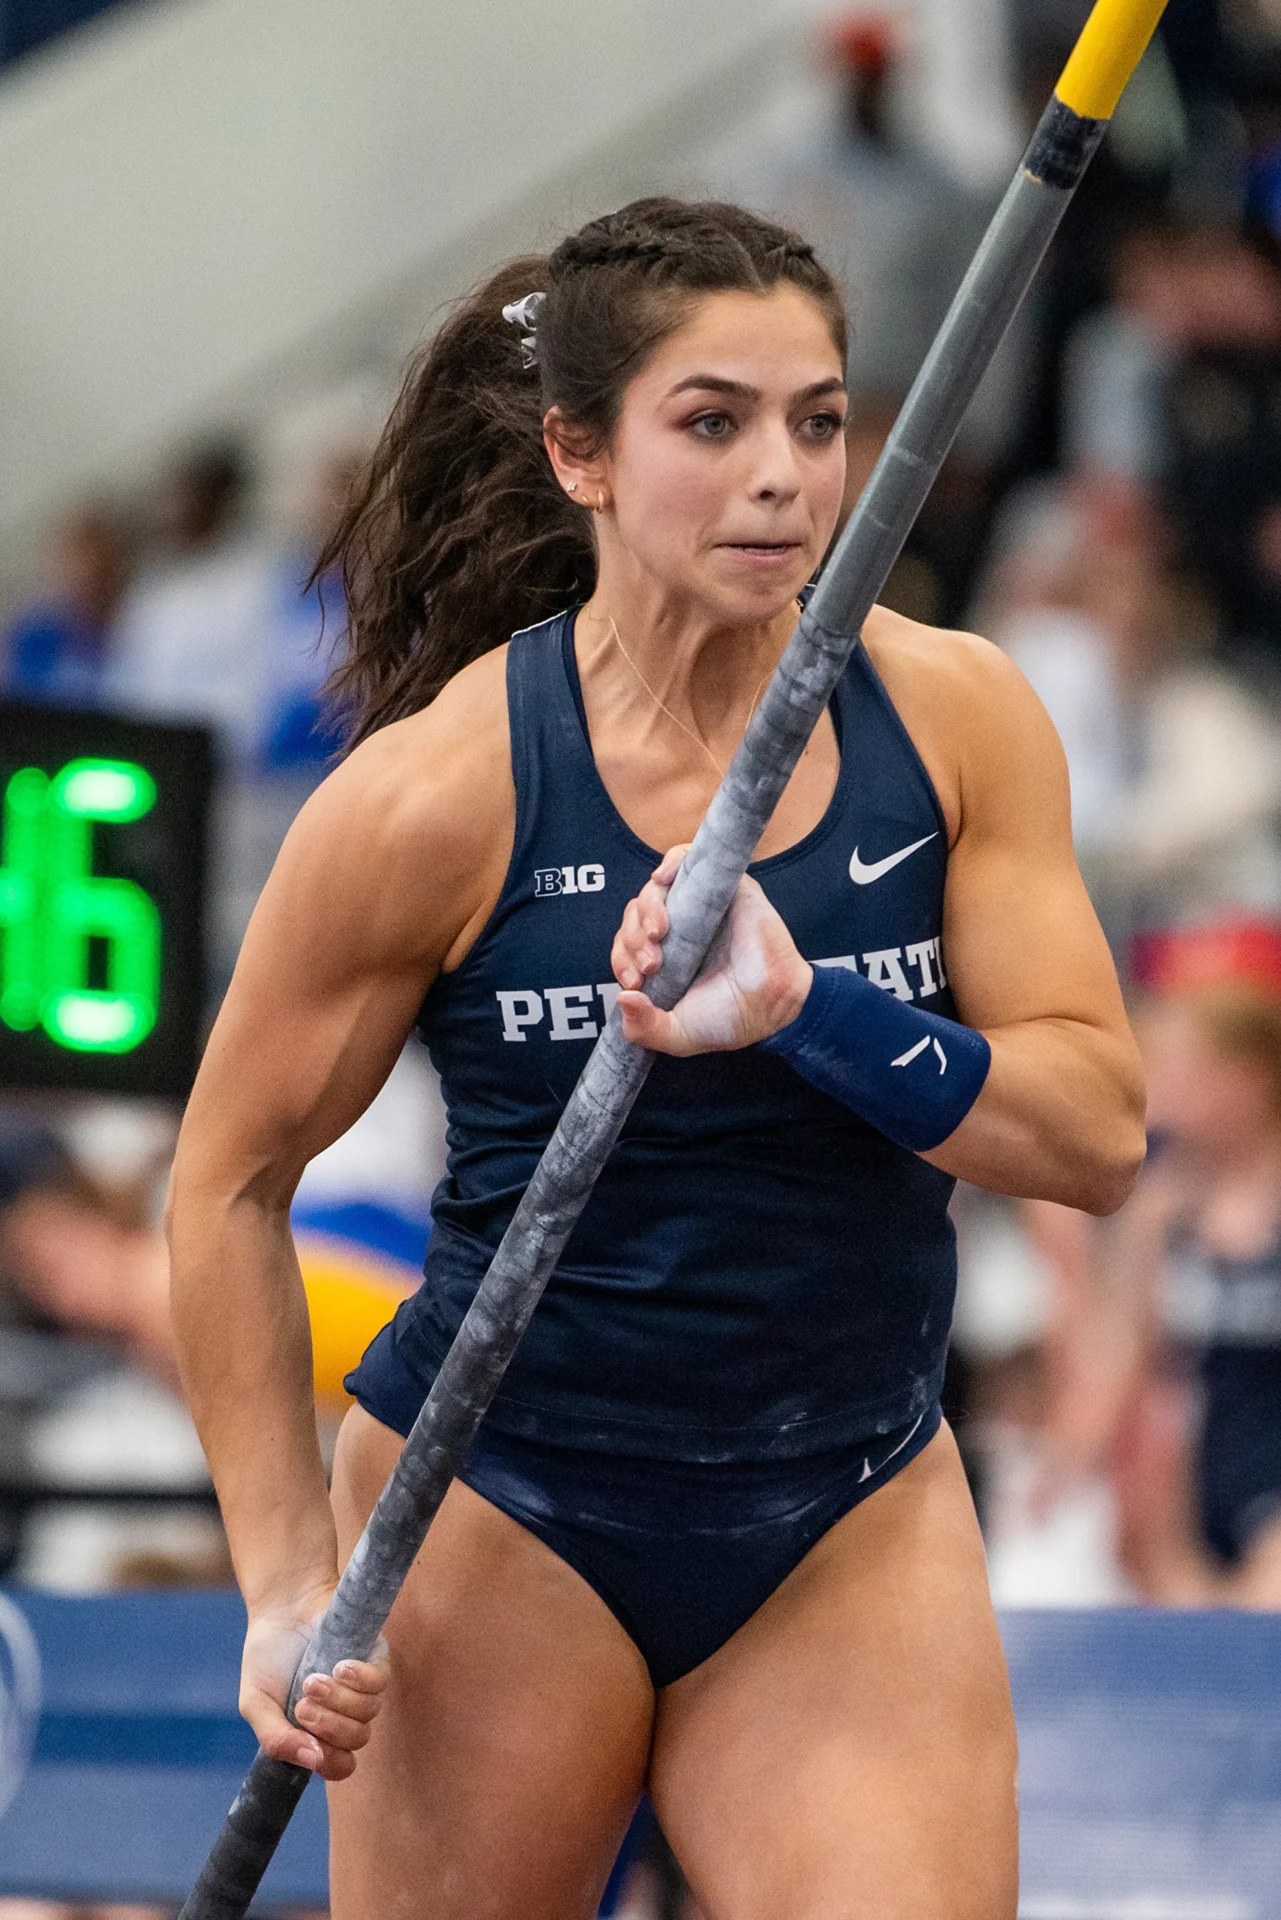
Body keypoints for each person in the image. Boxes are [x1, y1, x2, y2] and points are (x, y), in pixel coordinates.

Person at [165, 198, 1145, 1920]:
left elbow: (1096, 1131)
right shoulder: (437, 793)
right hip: (502, 1513)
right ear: (580, 454)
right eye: (714, 423)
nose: (784, 474)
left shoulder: (958, 714)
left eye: (820, 420)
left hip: (845, 1504)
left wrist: (812, 1013)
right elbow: (227, 1185)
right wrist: (279, 1580)